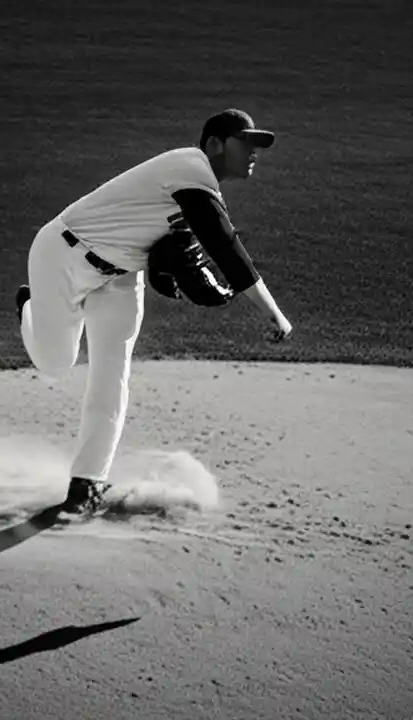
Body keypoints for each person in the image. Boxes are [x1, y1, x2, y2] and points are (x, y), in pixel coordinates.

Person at [16, 108, 293, 514]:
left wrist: (167, 275)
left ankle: (86, 483)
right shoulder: (190, 167)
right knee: (57, 363)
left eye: (257, 147)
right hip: (62, 257)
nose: (254, 153)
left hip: (120, 277)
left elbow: (168, 251)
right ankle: (28, 306)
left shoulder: (195, 190)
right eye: (246, 143)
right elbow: (223, 244)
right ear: (215, 144)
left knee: (113, 375)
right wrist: (273, 312)